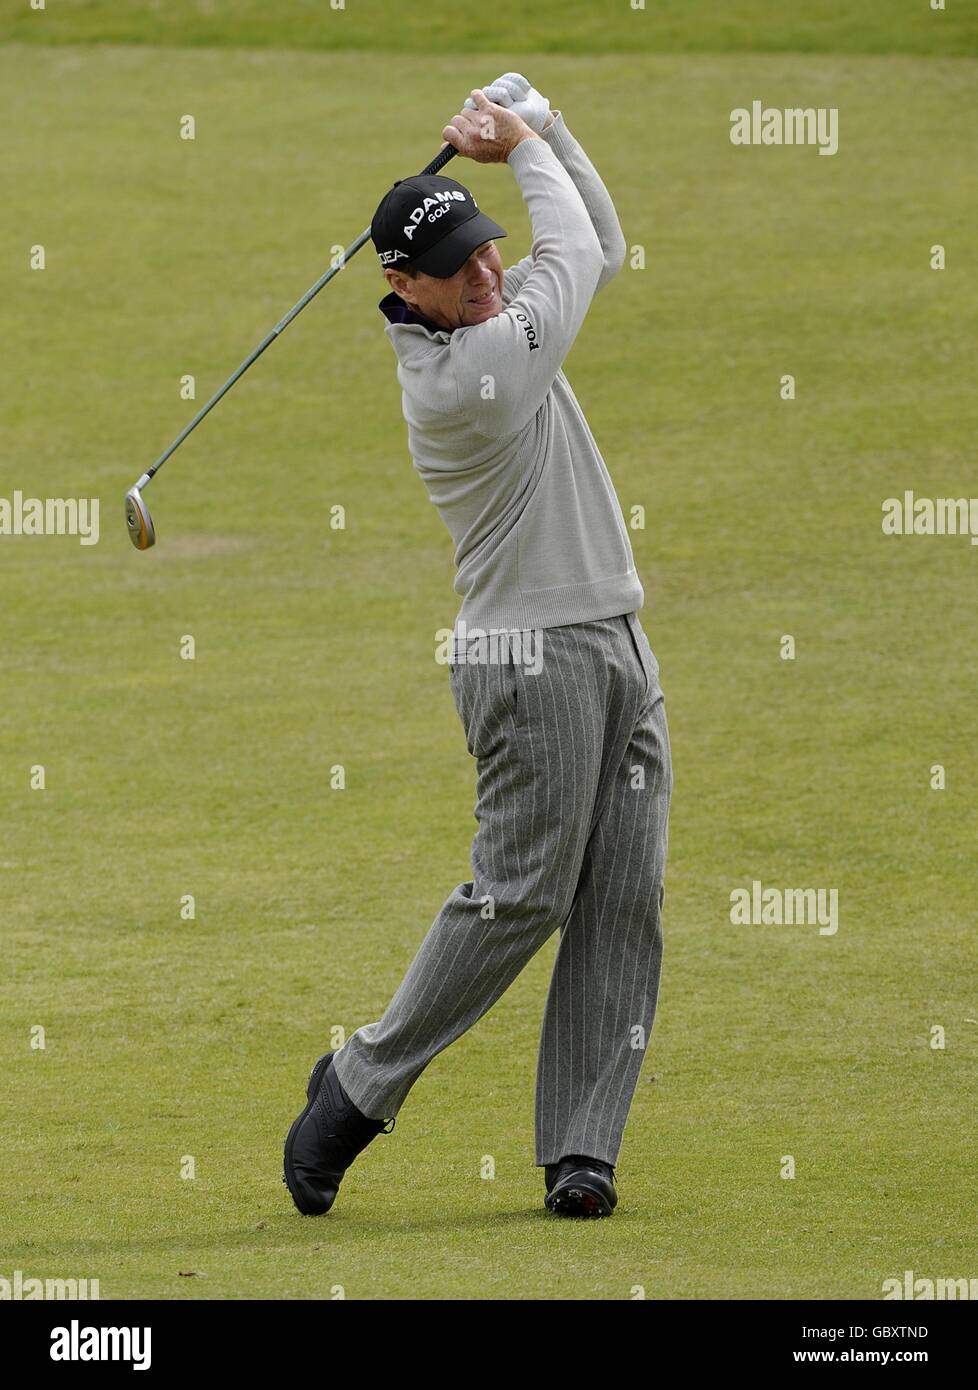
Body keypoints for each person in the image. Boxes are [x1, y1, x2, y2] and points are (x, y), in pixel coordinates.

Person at [284, 75, 672, 1219]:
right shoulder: (470, 381)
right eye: (461, 268)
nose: (489, 271)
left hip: (614, 633)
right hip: (529, 659)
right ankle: (356, 1084)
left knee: (624, 895)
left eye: (487, 251)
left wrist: (543, 126)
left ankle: (581, 1149)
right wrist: (520, 139)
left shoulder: (491, 324)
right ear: (406, 287)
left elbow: (595, 239)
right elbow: (575, 252)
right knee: (521, 897)